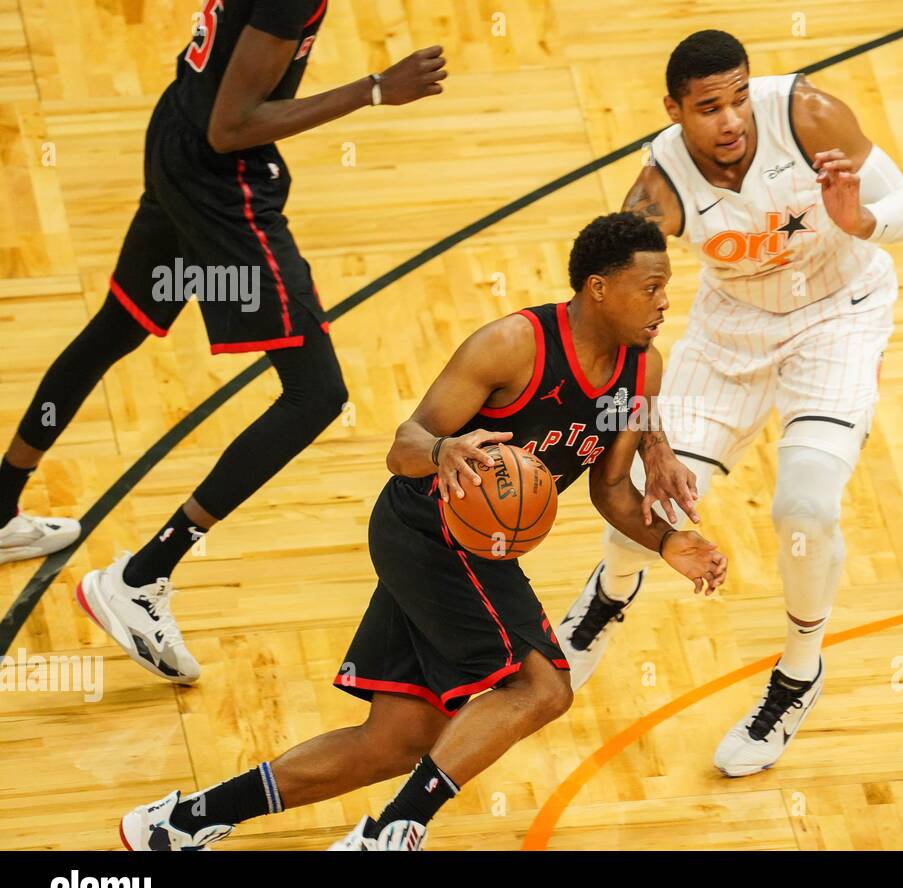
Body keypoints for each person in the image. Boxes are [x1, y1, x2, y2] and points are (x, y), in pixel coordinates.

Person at [120, 212, 727, 850]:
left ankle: (180, 821)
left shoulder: (642, 369)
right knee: (542, 685)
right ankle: (390, 832)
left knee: (394, 742)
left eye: (666, 287)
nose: (665, 301)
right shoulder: (512, 345)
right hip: (426, 521)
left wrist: (666, 541)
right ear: (598, 288)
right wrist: (443, 453)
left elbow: (608, 487)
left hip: (476, 547)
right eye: (651, 287)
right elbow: (404, 444)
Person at [0, 0, 448, 685]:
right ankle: (141, 577)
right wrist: (375, 91)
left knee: (119, 324)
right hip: (221, 177)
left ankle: (2, 502)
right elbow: (232, 126)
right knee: (314, 393)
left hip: (178, 135)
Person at [555, 29, 903, 777]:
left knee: (806, 509)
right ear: (674, 110)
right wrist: (651, 441)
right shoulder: (658, 191)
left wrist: (860, 220)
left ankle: (797, 675)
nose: (729, 121)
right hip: (732, 334)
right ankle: (608, 596)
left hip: (839, 316)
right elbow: (616, 318)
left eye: (737, 99)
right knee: (643, 497)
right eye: (707, 107)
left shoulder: (808, 115)